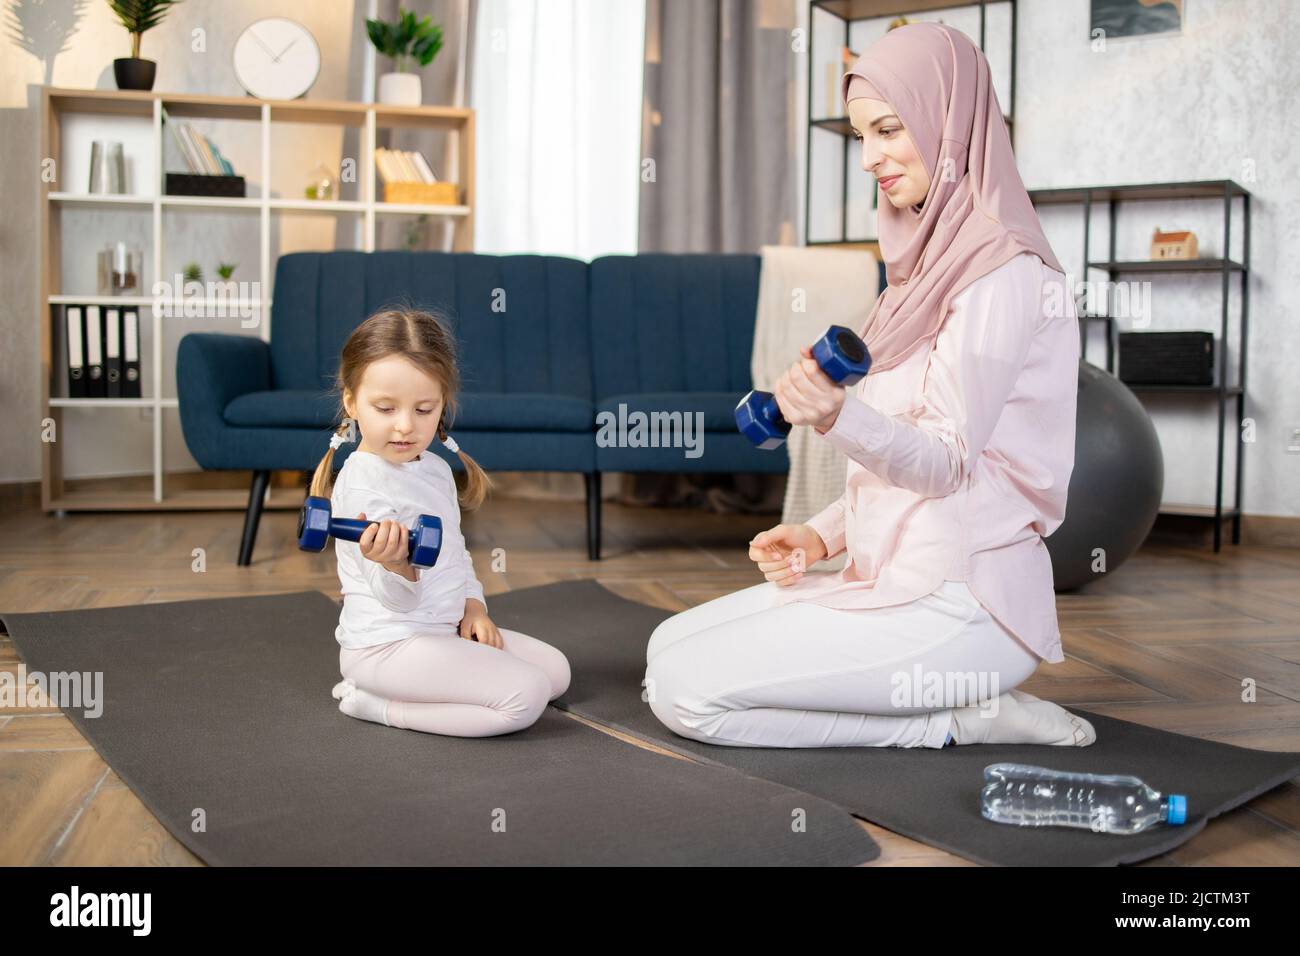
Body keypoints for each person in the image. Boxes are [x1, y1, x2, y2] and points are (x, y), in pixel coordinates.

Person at [644, 22, 1095, 750]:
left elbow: (945, 461)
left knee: (686, 696)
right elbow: (902, 458)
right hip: (891, 577)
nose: (870, 158)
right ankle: (950, 708)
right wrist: (819, 535)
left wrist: (832, 417)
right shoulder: (915, 277)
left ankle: (955, 718)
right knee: (664, 649)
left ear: (949, 121)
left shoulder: (1003, 274)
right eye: (861, 135)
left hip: (962, 604)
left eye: (888, 129)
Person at [310, 307, 570, 736]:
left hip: (444, 628)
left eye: (424, 409)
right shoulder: (361, 489)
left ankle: (449, 677)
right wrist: (395, 566)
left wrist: (473, 606)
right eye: (385, 408)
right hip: (388, 646)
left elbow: (454, 551)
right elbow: (397, 602)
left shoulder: (432, 469)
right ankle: (376, 705)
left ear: (442, 406)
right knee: (524, 698)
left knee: (556, 675)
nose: (405, 426)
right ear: (352, 401)